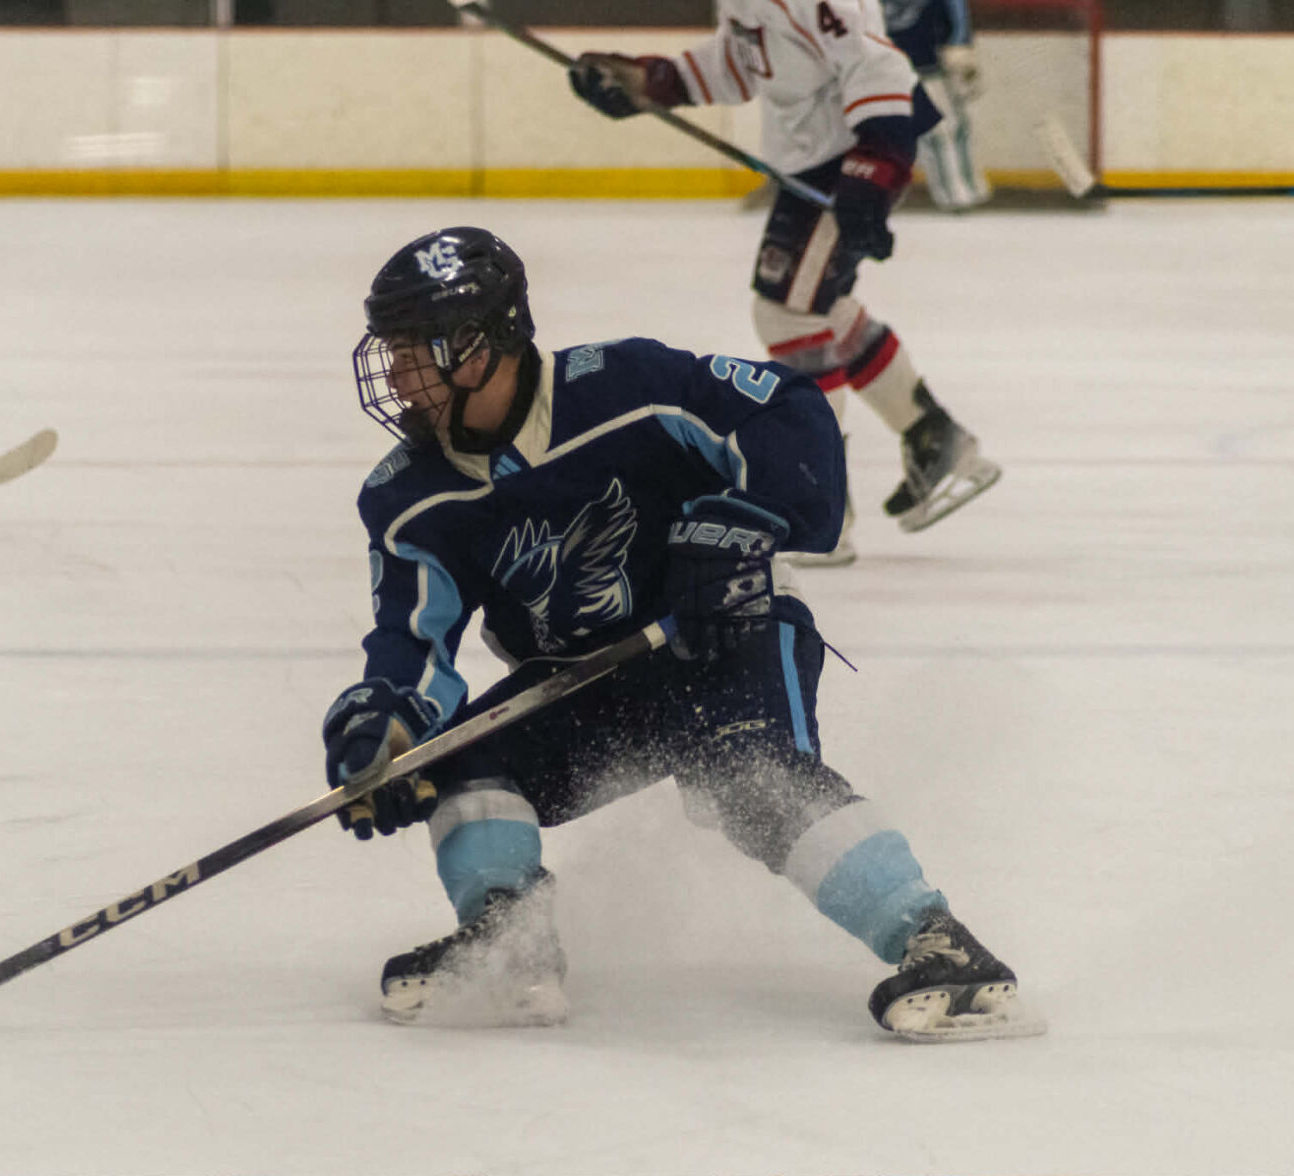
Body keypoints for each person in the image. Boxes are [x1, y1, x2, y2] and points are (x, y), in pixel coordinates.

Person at [322, 225, 1042, 1041]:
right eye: (392, 351)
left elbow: (788, 410)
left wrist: (737, 524)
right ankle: (509, 942)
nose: (397, 376)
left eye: (420, 349)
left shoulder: (626, 386)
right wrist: (385, 725)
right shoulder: (406, 497)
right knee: (455, 760)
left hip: (724, 631)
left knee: (745, 779)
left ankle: (941, 948)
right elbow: (414, 640)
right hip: (586, 673)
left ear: (487, 344)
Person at [565, 0, 999, 565]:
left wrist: (875, 170)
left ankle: (823, 513)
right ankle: (935, 440)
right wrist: (652, 82)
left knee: (788, 315)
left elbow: (880, 67)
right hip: (818, 162)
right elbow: (743, 60)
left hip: (854, 159)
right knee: (822, 310)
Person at [882, 0, 992, 211]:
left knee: (958, 125)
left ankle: (966, 188)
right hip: (899, 67)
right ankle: (952, 193)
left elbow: (956, 12)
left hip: (933, 64)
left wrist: (960, 43)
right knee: (937, 131)